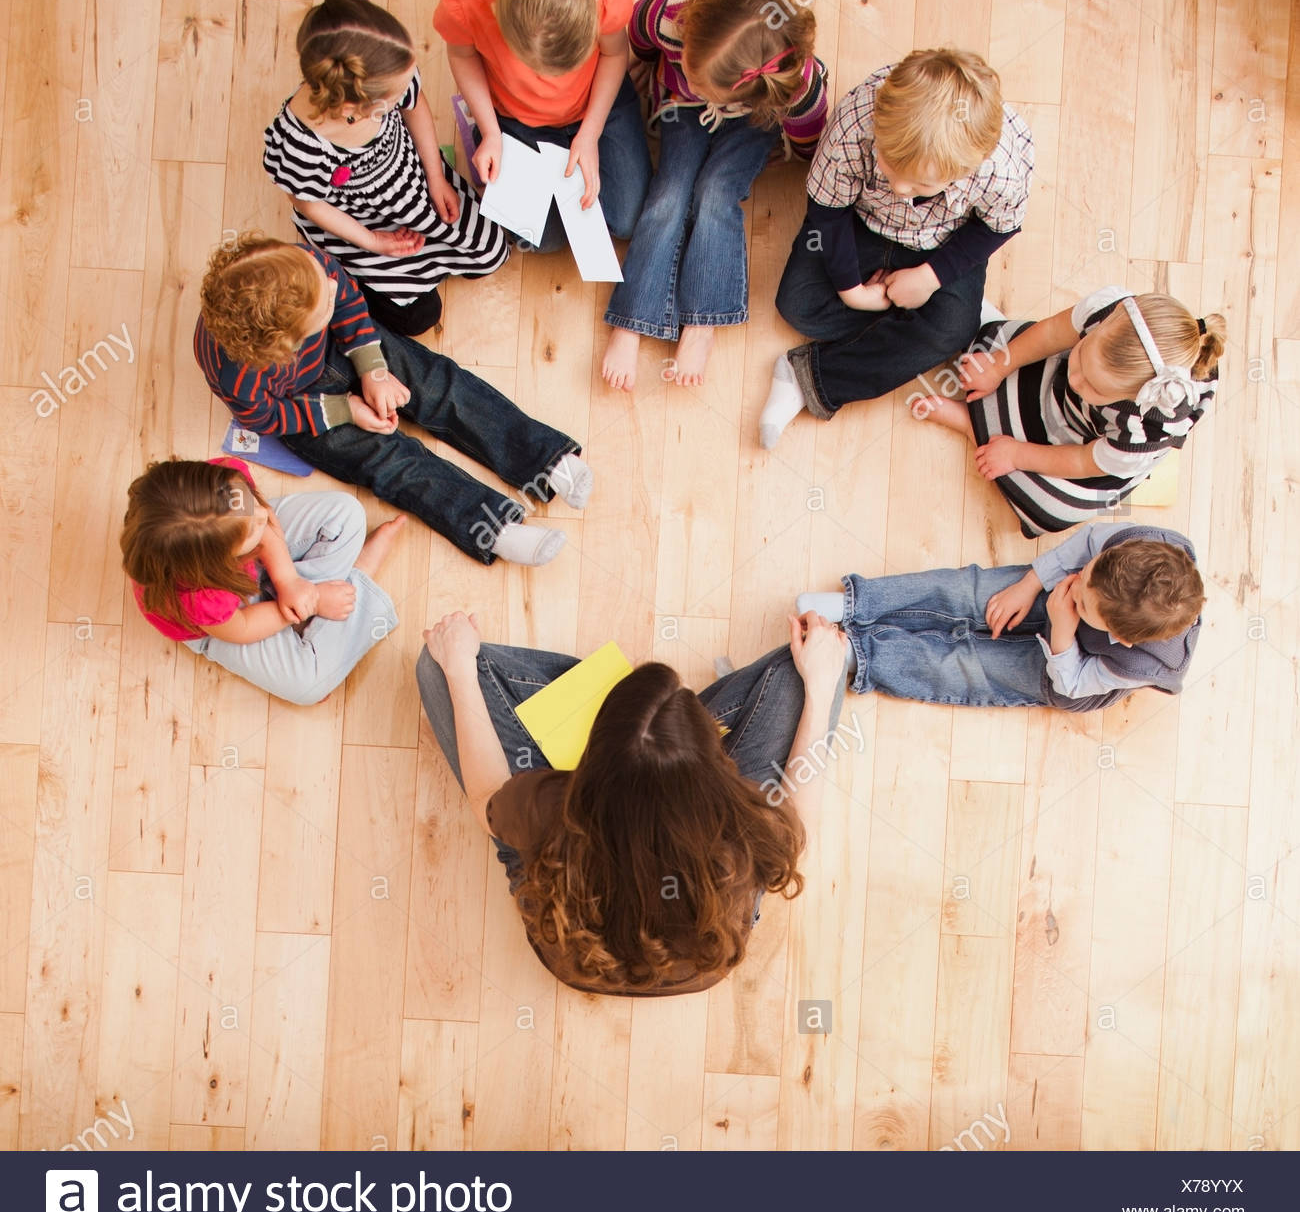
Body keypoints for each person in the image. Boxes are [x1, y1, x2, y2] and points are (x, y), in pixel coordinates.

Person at [417, 610, 850, 995]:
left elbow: (484, 797)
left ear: (595, 757)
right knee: (813, 672)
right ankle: (666, 739)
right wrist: (822, 687)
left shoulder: (552, 807)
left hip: (580, 956)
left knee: (442, 667)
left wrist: (458, 671)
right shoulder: (742, 817)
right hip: (699, 959)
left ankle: (623, 722)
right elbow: (799, 820)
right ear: (712, 765)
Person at [194, 233, 590, 568]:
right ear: (289, 345)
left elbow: (346, 301)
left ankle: (545, 459)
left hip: (345, 345)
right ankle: (493, 527)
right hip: (305, 407)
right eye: (323, 305)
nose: (331, 285)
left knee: (437, 384)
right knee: (387, 461)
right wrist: (344, 409)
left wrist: (373, 370)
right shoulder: (239, 378)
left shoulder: (302, 266)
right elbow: (268, 418)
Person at [760, 48, 1033, 448]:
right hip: (859, 224)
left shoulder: (1000, 170)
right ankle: (939, 324)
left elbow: (995, 228)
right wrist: (852, 292)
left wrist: (931, 277)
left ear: (964, 170)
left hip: (940, 244)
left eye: (920, 185)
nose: (901, 189)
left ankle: (808, 377)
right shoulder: (857, 121)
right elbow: (828, 209)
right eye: (890, 168)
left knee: (950, 326)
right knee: (797, 304)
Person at [600, 0, 828, 390]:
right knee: (669, 193)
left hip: (754, 119)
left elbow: (809, 137)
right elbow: (637, 32)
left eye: (706, 86)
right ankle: (631, 321)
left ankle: (702, 323)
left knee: (716, 193)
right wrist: (641, 67)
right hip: (681, 107)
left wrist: (786, 153)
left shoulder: (795, 82)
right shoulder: (670, 15)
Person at [262, 0, 508, 337]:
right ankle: (349, 283)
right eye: (393, 99)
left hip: (415, 183)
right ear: (358, 108)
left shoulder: (387, 71)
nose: (407, 89)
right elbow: (309, 205)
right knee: (418, 318)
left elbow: (415, 107)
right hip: (359, 221)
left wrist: (436, 178)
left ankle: (421, 256)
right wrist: (371, 241)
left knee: (491, 254)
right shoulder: (299, 146)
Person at [797, 522, 1204, 713]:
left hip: (1065, 671)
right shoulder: (1139, 546)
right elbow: (1086, 543)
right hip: (1050, 597)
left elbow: (1076, 682)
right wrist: (1030, 585)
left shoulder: (1139, 663)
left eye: (1082, 603)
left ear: (1119, 635)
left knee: (962, 665)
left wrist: (1064, 630)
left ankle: (855, 653)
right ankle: (853, 605)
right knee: (966, 593)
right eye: (1087, 575)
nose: (1074, 590)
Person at [914, 286, 1225, 536]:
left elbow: (1080, 461)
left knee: (1052, 507)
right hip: (1054, 389)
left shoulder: (1141, 436)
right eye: (1081, 358)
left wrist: (1016, 455)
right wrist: (998, 366)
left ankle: (975, 427)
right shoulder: (1108, 314)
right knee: (1001, 351)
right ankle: (989, 421)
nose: (1076, 381)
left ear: (1135, 396)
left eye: (1094, 386)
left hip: (1086, 447)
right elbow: (1051, 334)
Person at [433, 0, 650, 252]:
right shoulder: (466, 2)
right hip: (515, 119)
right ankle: (483, 136)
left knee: (628, 220)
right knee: (538, 241)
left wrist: (590, 133)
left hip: (596, 102)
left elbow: (614, 54)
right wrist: (491, 131)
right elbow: (462, 57)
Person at [121, 455, 402, 705]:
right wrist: (312, 601)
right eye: (253, 525)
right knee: (307, 686)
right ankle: (356, 576)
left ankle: (309, 613)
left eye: (252, 502)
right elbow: (243, 627)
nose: (264, 514)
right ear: (219, 562)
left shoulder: (225, 489)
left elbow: (265, 525)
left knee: (346, 512)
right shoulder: (198, 601)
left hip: (242, 550)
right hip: (228, 625)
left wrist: (288, 581)